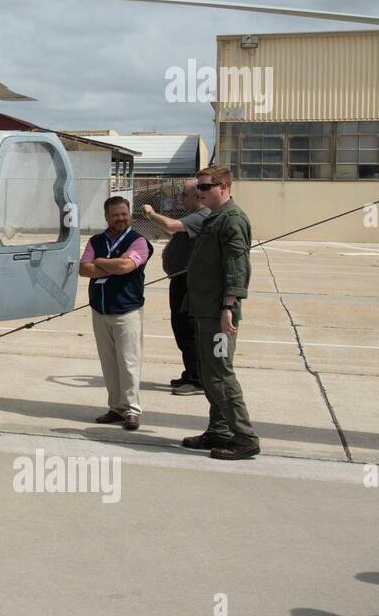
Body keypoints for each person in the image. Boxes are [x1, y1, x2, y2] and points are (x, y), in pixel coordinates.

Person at [180, 166, 259, 460]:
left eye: (204, 187)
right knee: (211, 373)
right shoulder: (216, 218)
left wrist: (228, 306)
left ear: (223, 186)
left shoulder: (232, 220)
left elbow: (237, 266)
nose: (199, 192)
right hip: (204, 310)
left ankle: (245, 437)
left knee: (220, 376)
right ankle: (220, 430)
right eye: (198, 188)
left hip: (218, 313)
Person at [79, 196, 153, 430]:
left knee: (128, 362)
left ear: (129, 214)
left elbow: (126, 266)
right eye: (115, 215)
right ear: (106, 217)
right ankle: (116, 407)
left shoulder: (139, 241)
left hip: (127, 311)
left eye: (124, 214)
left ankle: (132, 409)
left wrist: (100, 262)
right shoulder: (95, 240)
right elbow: (83, 269)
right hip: (100, 310)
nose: (121, 218)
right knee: (109, 362)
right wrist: (111, 264)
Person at [141, 180, 211, 394]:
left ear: (197, 196)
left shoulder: (202, 216)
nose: (182, 199)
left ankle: (197, 378)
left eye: (184, 195)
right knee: (180, 327)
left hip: (189, 282)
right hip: (180, 280)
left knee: (187, 329)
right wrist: (155, 222)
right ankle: (190, 372)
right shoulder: (192, 218)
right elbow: (173, 233)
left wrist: (151, 213)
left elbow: (171, 226)